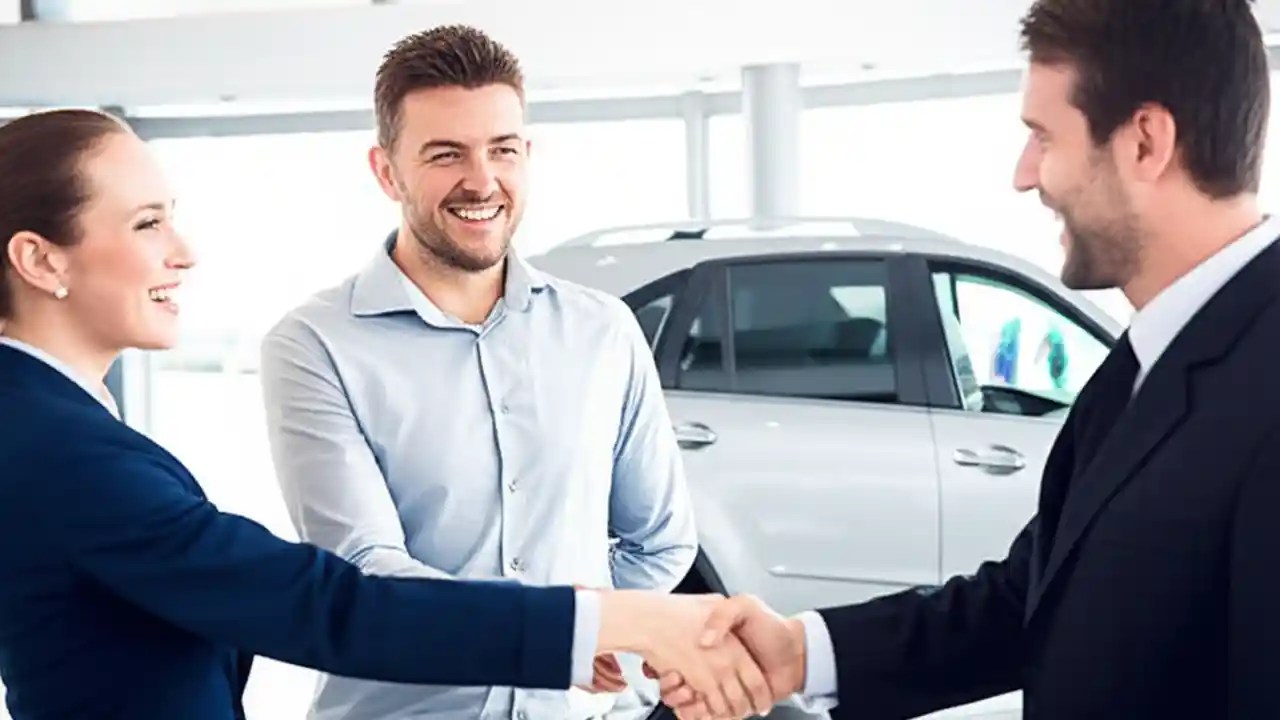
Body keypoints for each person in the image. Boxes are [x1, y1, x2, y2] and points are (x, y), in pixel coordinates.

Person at [0, 109, 776, 720]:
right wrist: (614, 622)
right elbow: (331, 604)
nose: (185, 250)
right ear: (41, 260)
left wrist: (596, 632)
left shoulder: (51, 423)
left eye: (172, 215)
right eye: (146, 223)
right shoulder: (62, 453)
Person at [663, 0, 1280, 718]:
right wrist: (801, 651)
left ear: (1145, 142)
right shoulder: (1140, 365)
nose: (1026, 175)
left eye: (1043, 137)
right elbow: (1028, 601)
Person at [258, 25, 697, 720]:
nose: (482, 180)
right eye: (445, 154)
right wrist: (556, 638)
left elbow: (660, 540)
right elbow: (367, 567)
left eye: (503, 150)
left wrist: (588, 642)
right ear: (386, 171)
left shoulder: (603, 330)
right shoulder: (313, 345)